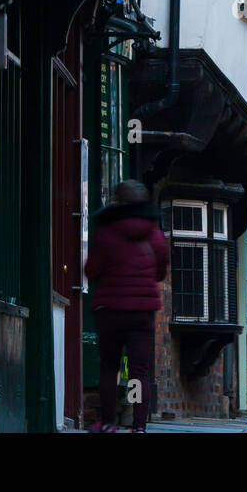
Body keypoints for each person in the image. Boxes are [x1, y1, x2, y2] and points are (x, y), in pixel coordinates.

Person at [84, 180, 168, 433]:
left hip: (110, 310)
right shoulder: (155, 234)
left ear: (118, 202)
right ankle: (139, 426)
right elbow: (161, 272)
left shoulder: (106, 231)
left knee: (110, 366)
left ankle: (109, 422)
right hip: (142, 313)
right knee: (139, 370)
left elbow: (92, 270)